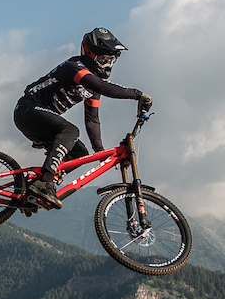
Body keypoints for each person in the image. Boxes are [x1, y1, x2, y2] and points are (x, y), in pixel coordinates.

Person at [14, 28, 152, 209]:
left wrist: (100, 152)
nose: (107, 64)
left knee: (80, 154)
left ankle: (35, 192)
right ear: (88, 53)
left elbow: (92, 120)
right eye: (103, 59)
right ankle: (45, 182)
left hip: (41, 118)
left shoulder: (92, 87)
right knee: (71, 131)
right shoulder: (75, 67)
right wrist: (137, 94)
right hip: (27, 109)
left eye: (111, 60)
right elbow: (104, 87)